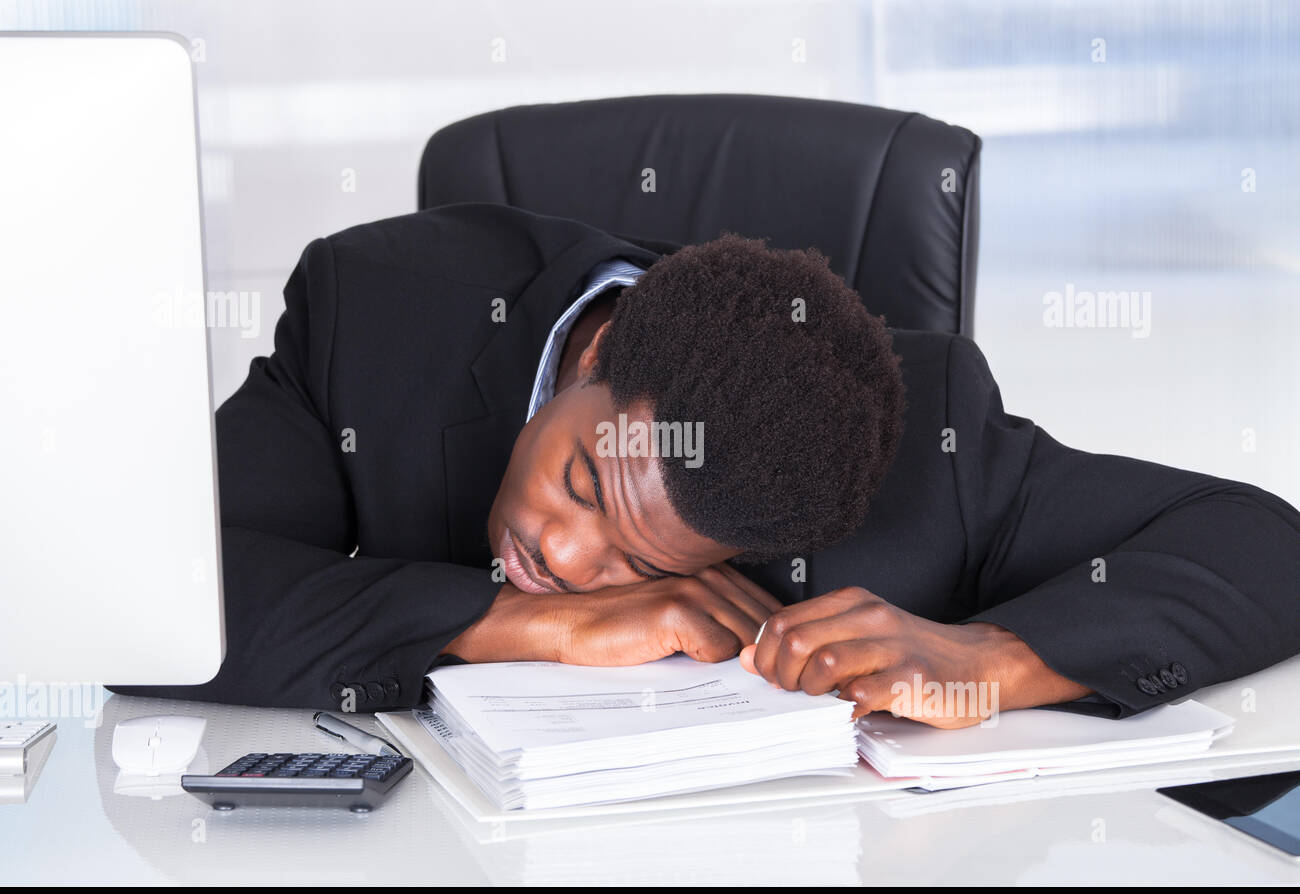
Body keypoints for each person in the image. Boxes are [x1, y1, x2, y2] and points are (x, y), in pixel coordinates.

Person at [108, 202, 1300, 728]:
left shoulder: (923, 440)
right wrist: (525, 626)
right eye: (581, 482)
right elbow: (153, 603)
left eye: (637, 562)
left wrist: (991, 659)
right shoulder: (377, 311)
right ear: (597, 347)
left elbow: (1259, 543)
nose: (567, 560)